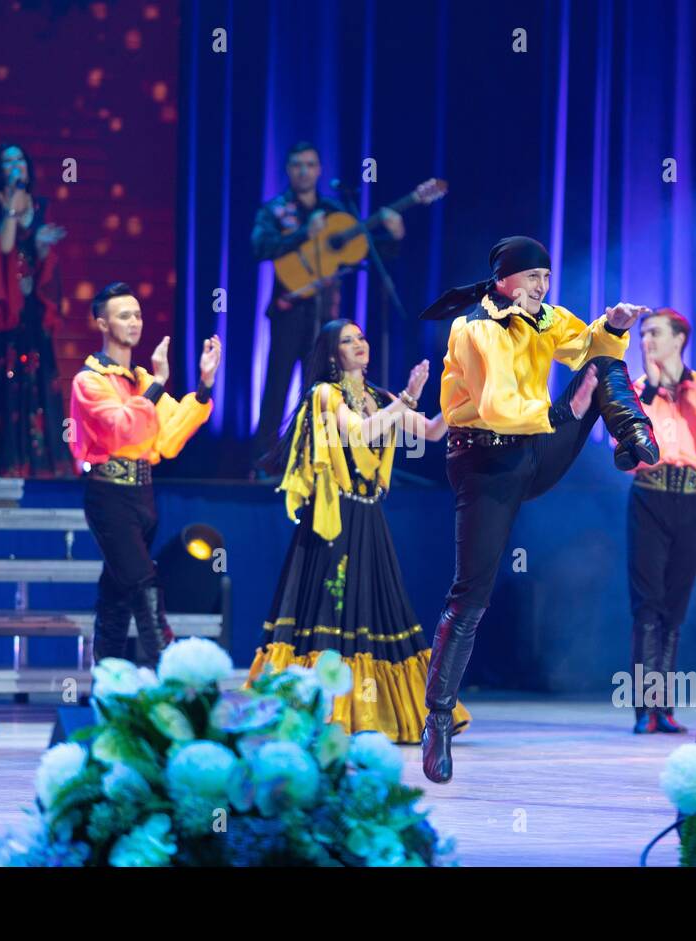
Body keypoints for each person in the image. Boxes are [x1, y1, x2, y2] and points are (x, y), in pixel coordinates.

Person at [415, 236, 660, 783]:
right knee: (471, 593)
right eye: (532, 278)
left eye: (546, 277)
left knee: (601, 365)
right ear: (504, 280)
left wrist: (614, 326)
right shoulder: (474, 329)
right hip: (486, 464)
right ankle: (436, 719)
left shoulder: (547, 317)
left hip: (534, 450)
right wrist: (559, 412)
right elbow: (499, 408)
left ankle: (635, 437)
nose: (542, 287)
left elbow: (587, 346)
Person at [246, 320, 469, 742]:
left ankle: (382, 712)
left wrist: (465, 389)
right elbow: (359, 433)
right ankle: (320, 710)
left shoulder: (381, 398)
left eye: (362, 337)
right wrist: (404, 399)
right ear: (333, 356)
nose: (359, 344)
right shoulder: (324, 395)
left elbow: (434, 431)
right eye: (347, 341)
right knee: (329, 612)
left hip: (369, 520)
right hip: (333, 519)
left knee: (376, 611)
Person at [69, 282, 221, 666]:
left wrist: (203, 386)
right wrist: (155, 385)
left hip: (143, 495)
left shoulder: (139, 378)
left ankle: (108, 679)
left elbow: (169, 437)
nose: (134, 322)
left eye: (137, 314)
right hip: (109, 495)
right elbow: (121, 427)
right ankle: (169, 672)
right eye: (124, 315)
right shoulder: (90, 381)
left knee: (117, 591)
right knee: (143, 581)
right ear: (102, 323)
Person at [248, 141, 404, 476]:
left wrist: (392, 237)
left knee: (323, 387)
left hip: (326, 316)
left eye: (310, 164)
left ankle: (319, 460)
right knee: (276, 386)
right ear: (288, 170)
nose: (303, 171)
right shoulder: (275, 210)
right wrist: (305, 232)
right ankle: (264, 463)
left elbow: (364, 250)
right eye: (297, 165)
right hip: (288, 309)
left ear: (319, 170)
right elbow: (260, 247)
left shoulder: (335, 211)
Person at [626, 308, 696, 733]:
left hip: (692, 499)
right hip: (650, 497)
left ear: (679, 339)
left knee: (674, 607)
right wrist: (654, 388)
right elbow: (631, 447)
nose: (646, 341)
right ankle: (645, 709)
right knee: (647, 605)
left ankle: (665, 707)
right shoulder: (637, 390)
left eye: (654, 333)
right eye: (642, 335)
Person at [0, 143, 71, 477]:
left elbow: (41, 260)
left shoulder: (42, 206)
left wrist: (42, 246)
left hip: (29, 311)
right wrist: (11, 211)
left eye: (20, 159)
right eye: (8, 161)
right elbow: (2, 246)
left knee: (32, 380)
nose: (16, 165)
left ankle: (33, 464)